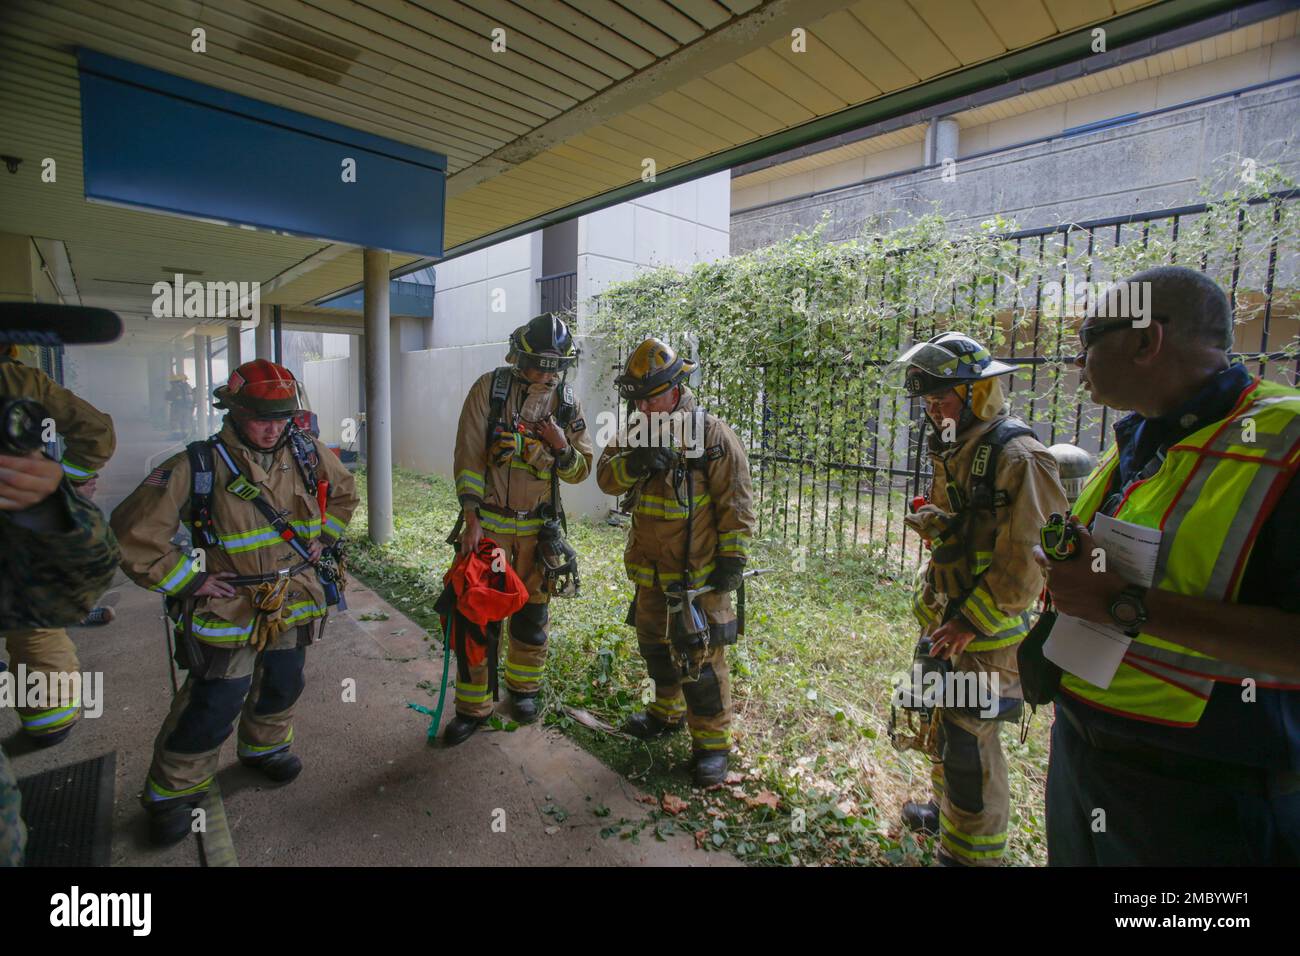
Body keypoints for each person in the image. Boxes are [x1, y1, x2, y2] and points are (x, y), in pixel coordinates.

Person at [1036, 266, 1300, 865]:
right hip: (1085, 753)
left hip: (1206, 798)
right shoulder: (1141, 441)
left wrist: (1119, 602)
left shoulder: (1287, 441)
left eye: (1088, 340)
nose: (1079, 362)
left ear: (1144, 340)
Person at [109, 359, 357, 846]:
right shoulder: (197, 465)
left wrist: (324, 538)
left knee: (284, 684)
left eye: (282, 417)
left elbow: (345, 493)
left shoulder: (307, 452)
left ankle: (264, 750)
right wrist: (187, 580)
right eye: (262, 417)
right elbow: (132, 533)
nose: (272, 428)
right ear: (235, 412)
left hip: (294, 598)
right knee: (214, 700)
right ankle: (171, 793)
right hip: (230, 607)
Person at [892, 331, 1067, 866]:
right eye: (926, 401)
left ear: (977, 393)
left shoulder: (1021, 457)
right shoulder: (961, 445)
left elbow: (1028, 563)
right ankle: (948, 812)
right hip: (949, 619)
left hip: (987, 631)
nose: (932, 412)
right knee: (943, 720)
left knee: (970, 738)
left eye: (941, 399)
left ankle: (971, 855)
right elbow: (975, 529)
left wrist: (969, 621)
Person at [596, 338, 756, 786]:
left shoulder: (711, 435)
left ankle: (712, 746)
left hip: (697, 579)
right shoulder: (635, 430)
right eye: (638, 400)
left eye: (650, 398)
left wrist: (732, 560)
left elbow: (737, 501)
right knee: (655, 650)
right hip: (650, 574)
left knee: (700, 661)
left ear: (675, 387)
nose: (643, 407)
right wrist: (639, 461)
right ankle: (665, 715)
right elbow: (606, 478)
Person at [0, 301, 124, 866]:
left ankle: (47, 719)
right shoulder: (16, 379)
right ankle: (47, 720)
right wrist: (64, 489)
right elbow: (95, 431)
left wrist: (56, 497)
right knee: (36, 626)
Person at [444, 313, 593, 744]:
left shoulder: (565, 405)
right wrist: (471, 519)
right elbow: (468, 457)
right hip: (488, 530)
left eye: (554, 365)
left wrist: (548, 449)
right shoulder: (489, 391)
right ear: (517, 356)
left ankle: (523, 690)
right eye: (537, 363)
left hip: (537, 534)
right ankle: (473, 707)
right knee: (478, 618)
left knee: (532, 617)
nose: (545, 373)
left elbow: (580, 471)